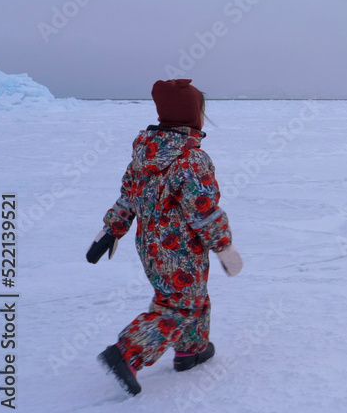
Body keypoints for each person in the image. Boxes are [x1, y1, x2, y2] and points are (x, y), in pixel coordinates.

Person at [87, 79, 243, 396]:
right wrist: (224, 246)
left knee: (190, 297)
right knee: (179, 307)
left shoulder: (143, 156)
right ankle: (128, 351)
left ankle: (192, 350)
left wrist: (111, 230)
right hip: (183, 249)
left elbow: (128, 199)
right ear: (192, 117)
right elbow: (204, 212)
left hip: (151, 248)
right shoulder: (192, 160)